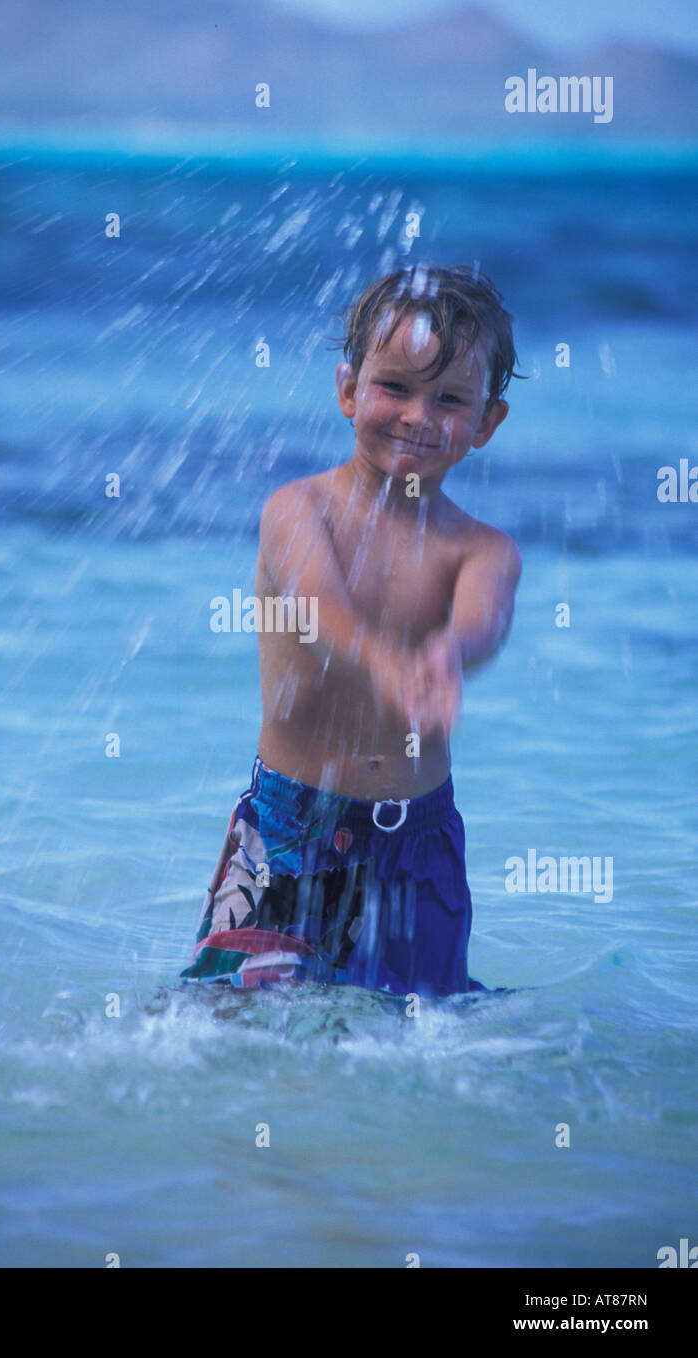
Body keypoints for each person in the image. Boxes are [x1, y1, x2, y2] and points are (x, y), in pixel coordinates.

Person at [181, 264, 523, 997]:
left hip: (418, 844)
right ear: (346, 390)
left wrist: (446, 650)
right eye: (393, 387)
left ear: (487, 423)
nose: (417, 415)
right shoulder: (297, 510)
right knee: (233, 1026)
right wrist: (388, 662)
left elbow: (484, 617)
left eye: (450, 399)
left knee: (415, 1036)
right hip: (289, 830)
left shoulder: (481, 549)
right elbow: (314, 606)